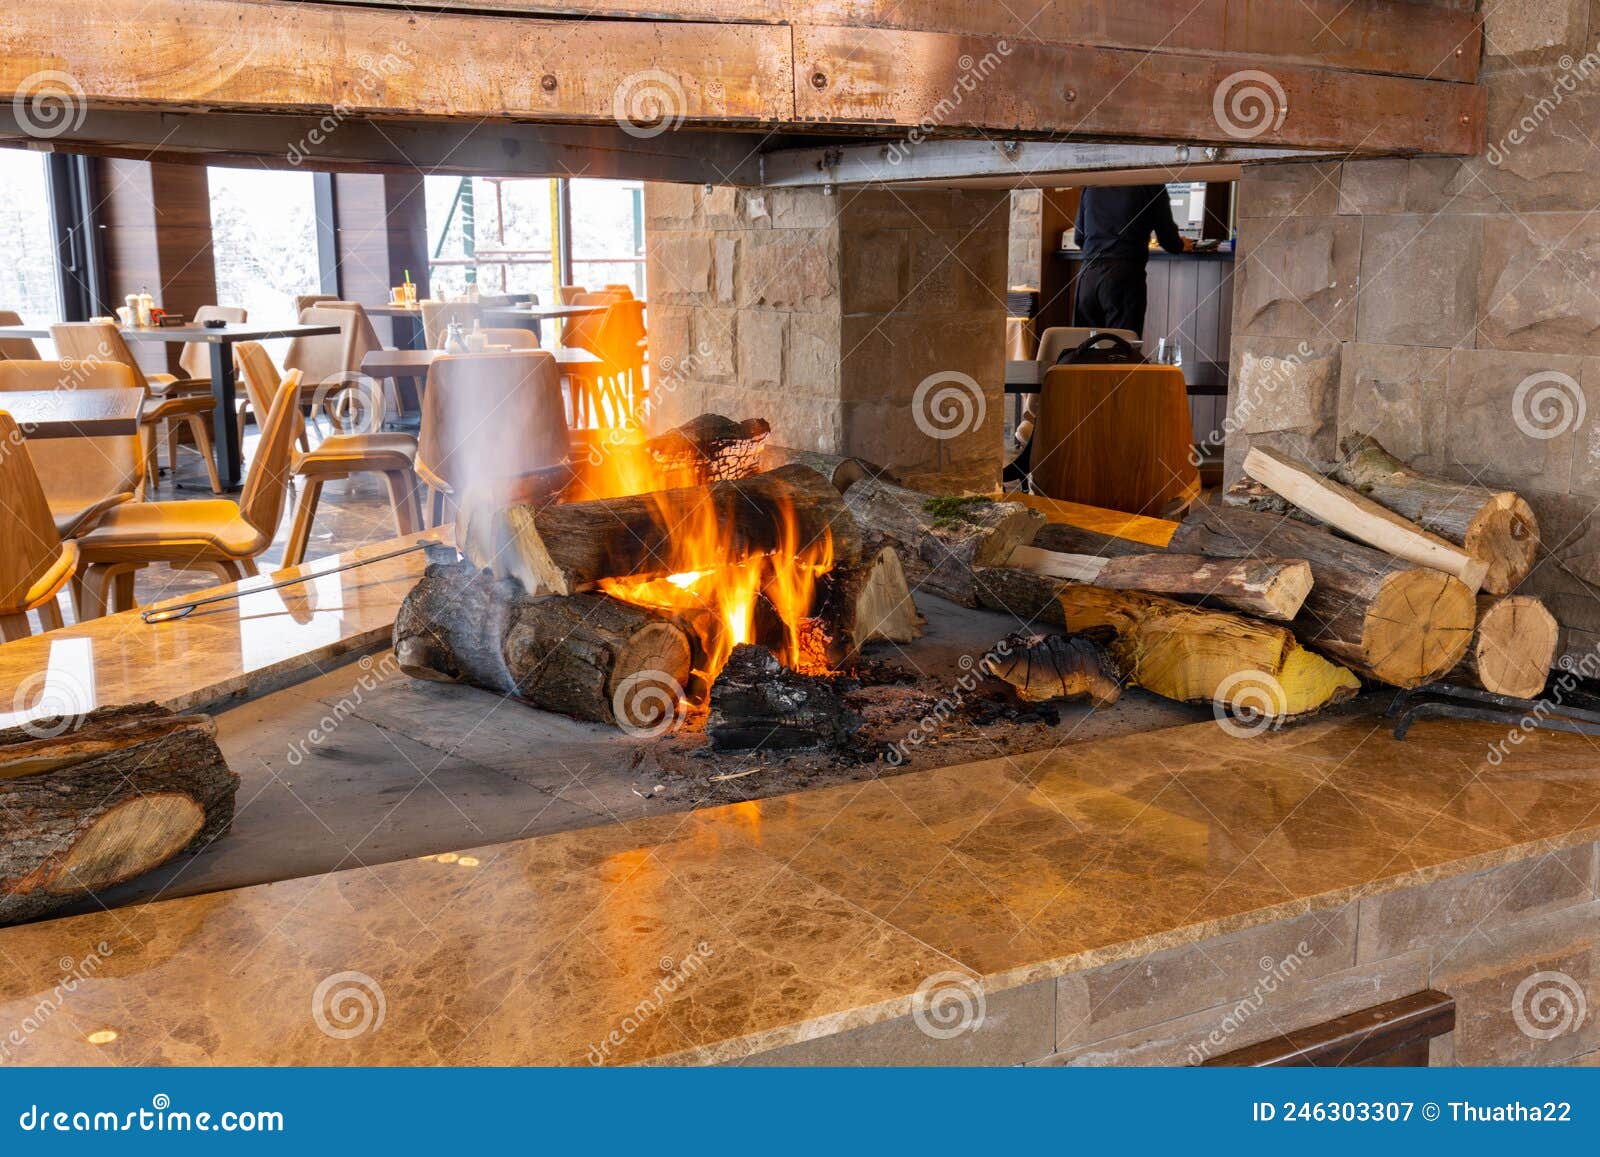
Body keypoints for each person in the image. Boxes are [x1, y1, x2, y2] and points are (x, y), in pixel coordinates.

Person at [1072, 184, 1192, 335]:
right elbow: (1168, 240)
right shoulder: (1150, 184)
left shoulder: (1092, 185)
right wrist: (1181, 244)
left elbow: (1079, 238)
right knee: (1122, 350)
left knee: (1085, 350)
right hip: (1124, 277)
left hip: (1087, 277)